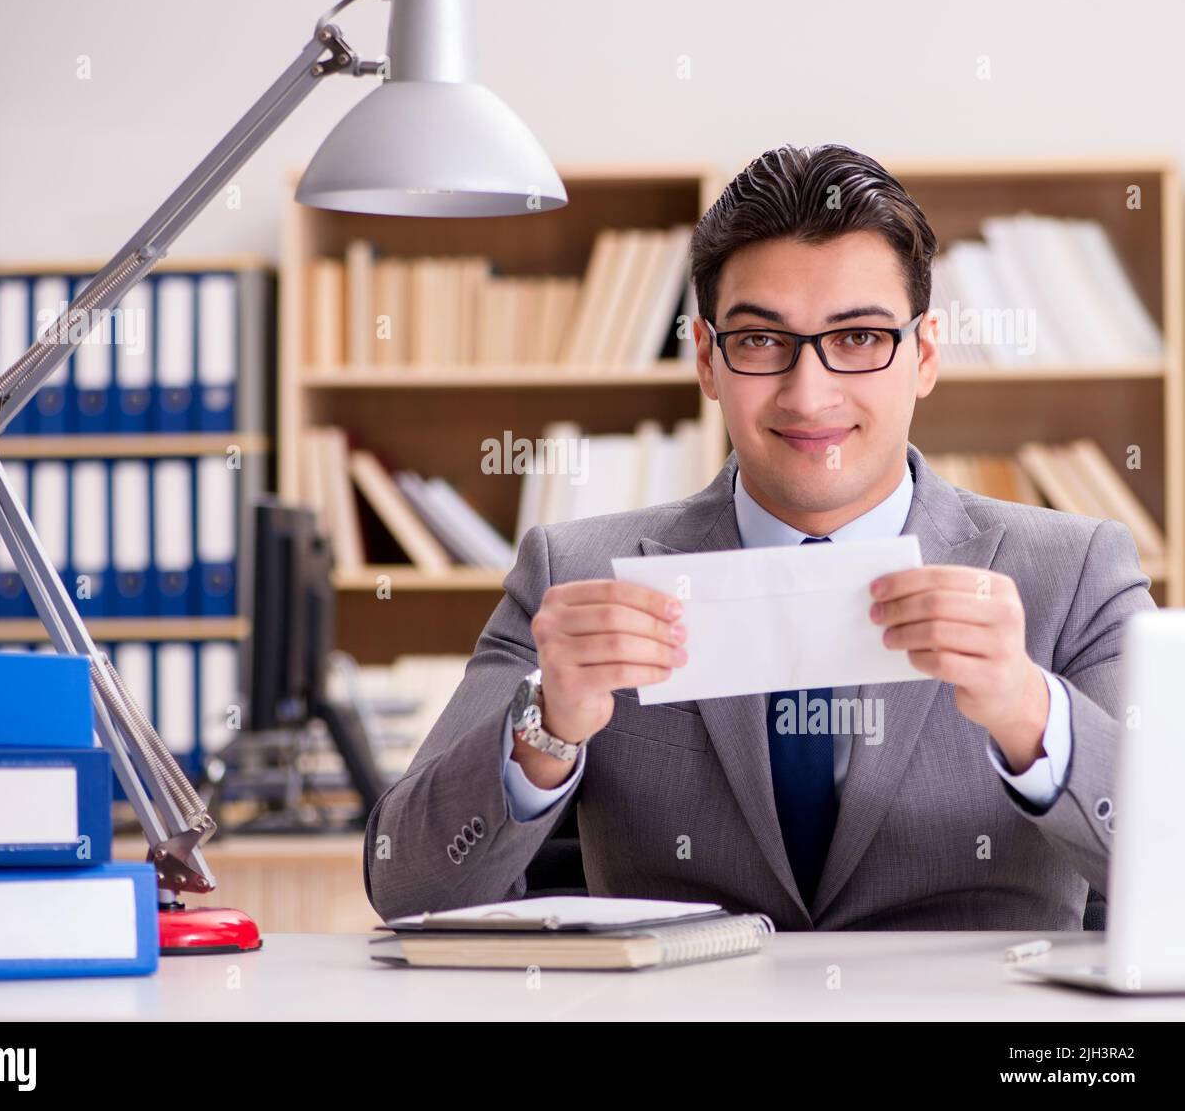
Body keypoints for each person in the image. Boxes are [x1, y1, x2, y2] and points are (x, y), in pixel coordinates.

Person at [362, 144, 1155, 930]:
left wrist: (1030, 711)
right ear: (708, 359)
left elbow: (1172, 869)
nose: (809, 397)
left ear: (924, 355)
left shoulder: (1073, 571)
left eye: (857, 339)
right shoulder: (572, 574)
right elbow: (405, 884)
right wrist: (544, 729)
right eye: (761, 341)